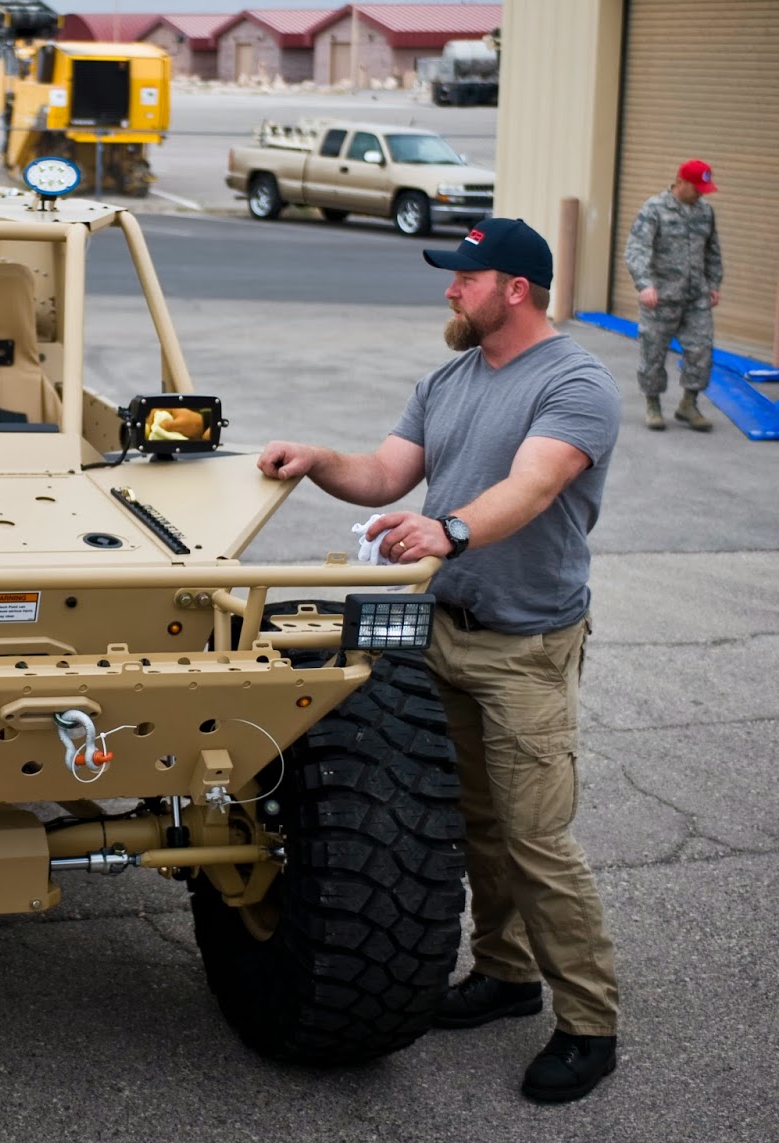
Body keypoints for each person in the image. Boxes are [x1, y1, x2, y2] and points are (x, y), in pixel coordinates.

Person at [257, 218, 622, 1104]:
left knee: (536, 839)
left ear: (516, 290)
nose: (451, 288)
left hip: (524, 645)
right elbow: (386, 474)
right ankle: (505, 973)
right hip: (440, 631)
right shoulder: (449, 378)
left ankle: (590, 1022)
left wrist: (449, 528)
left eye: (467, 276)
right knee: (477, 824)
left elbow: (534, 484)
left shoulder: (575, 382)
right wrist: (317, 459)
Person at [625, 159, 723, 431]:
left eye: (704, 188)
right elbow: (636, 249)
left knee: (701, 350)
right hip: (660, 298)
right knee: (653, 353)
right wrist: (645, 284)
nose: (701, 193)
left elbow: (712, 251)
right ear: (680, 182)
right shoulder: (654, 209)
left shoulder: (705, 212)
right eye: (697, 187)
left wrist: (714, 283)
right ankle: (653, 404)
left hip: (696, 297)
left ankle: (688, 404)